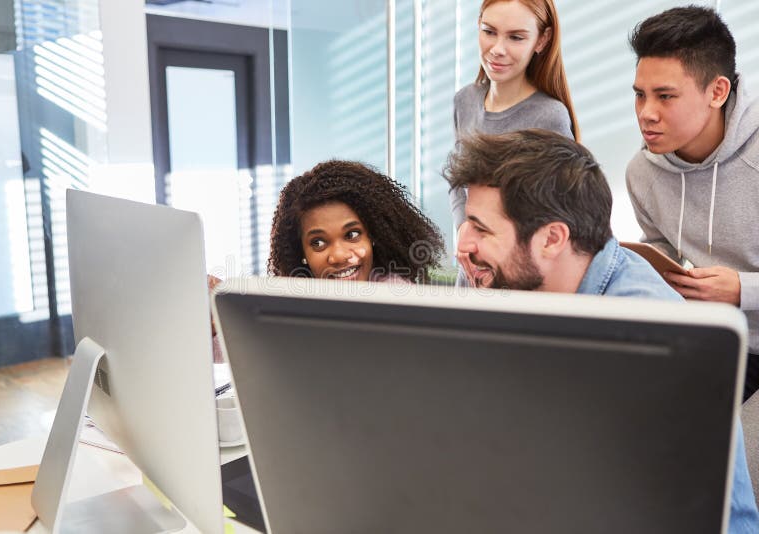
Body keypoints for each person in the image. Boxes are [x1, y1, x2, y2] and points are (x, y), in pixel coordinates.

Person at [444, 128, 759, 532]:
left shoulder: (646, 345)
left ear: (552, 239)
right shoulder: (534, 292)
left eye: (481, 228)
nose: (461, 245)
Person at [626, 6, 759, 402]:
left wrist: (742, 289)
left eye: (665, 96)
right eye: (639, 95)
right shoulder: (642, 172)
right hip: (702, 341)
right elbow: (661, 244)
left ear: (717, 92)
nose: (646, 114)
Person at [451, 0, 579, 281]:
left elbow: (564, 213)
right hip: (471, 269)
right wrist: (463, 227)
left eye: (516, 37)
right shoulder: (465, 101)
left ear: (541, 40)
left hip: (517, 276)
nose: (497, 49)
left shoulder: (549, 117)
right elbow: (457, 183)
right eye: (489, 31)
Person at [268, 159, 445, 283]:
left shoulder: (396, 300)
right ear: (302, 253)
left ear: (374, 236)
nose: (339, 256)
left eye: (352, 235)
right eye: (318, 242)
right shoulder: (294, 306)